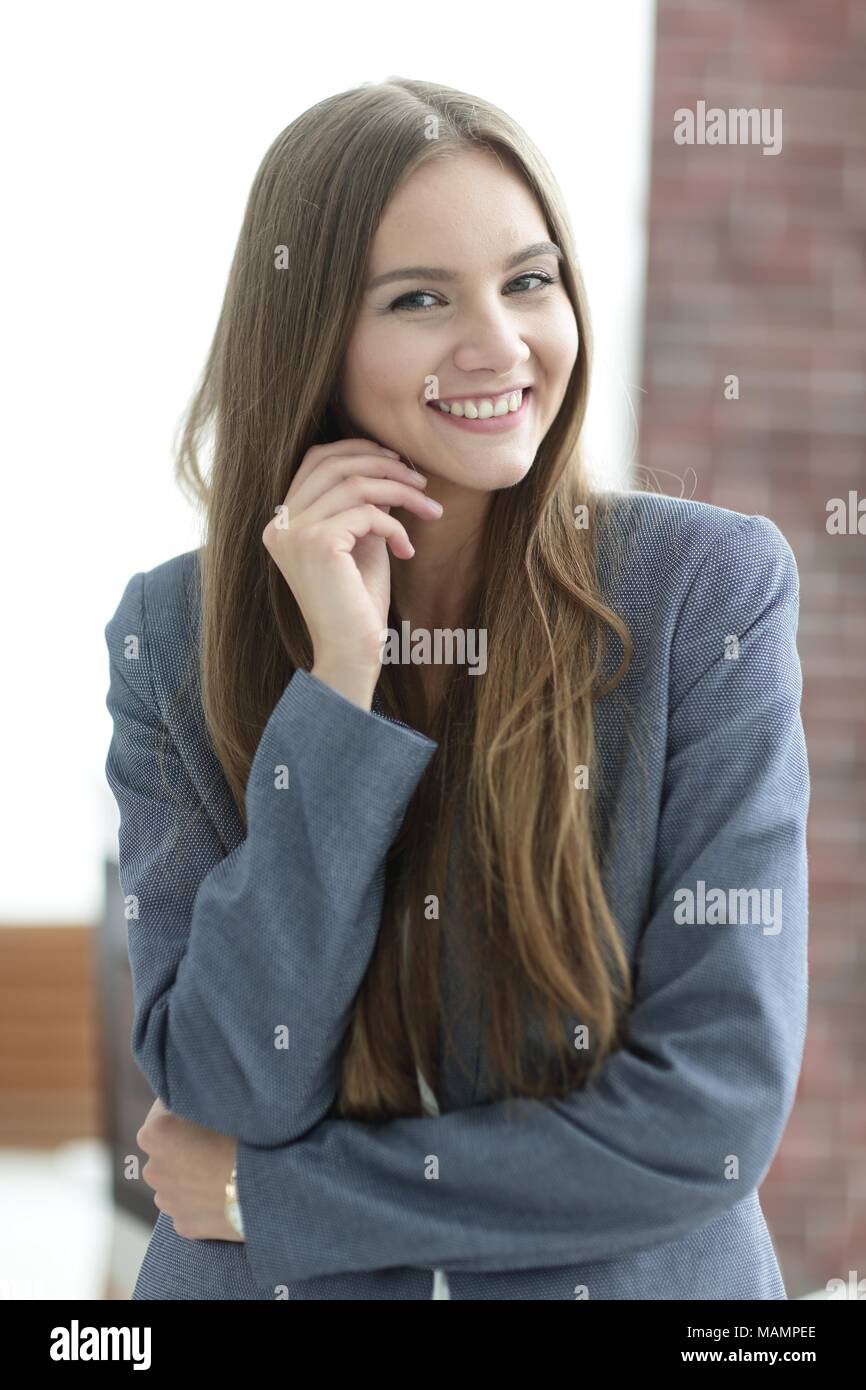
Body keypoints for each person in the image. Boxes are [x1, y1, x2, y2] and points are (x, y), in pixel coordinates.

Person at [103, 77, 809, 1301]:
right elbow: (226, 1082)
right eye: (420, 298)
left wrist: (278, 1196)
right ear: (310, 335)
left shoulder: (704, 590)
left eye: (528, 281)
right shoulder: (173, 632)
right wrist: (336, 688)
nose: (500, 344)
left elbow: (710, 1113)